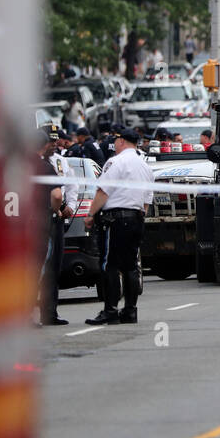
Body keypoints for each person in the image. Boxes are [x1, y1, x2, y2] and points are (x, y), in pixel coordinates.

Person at [85, 127, 155, 325]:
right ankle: (130, 311)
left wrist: (90, 214)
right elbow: (147, 201)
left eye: (116, 141)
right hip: (136, 218)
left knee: (110, 266)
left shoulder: (116, 162)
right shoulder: (144, 166)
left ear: (122, 141)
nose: (114, 144)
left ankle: (111, 310)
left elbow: (103, 191)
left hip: (116, 220)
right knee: (131, 266)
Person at [36, 131, 70, 326]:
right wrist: (55, 211)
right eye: (50, 142)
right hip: (45, 220)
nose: (53, 145)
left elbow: (70, 188)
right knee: (44, 268)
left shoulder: (16, 164)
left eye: (55, 142)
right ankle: (45, 313)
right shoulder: (44, 166)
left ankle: (47, 313)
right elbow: (56, 195)